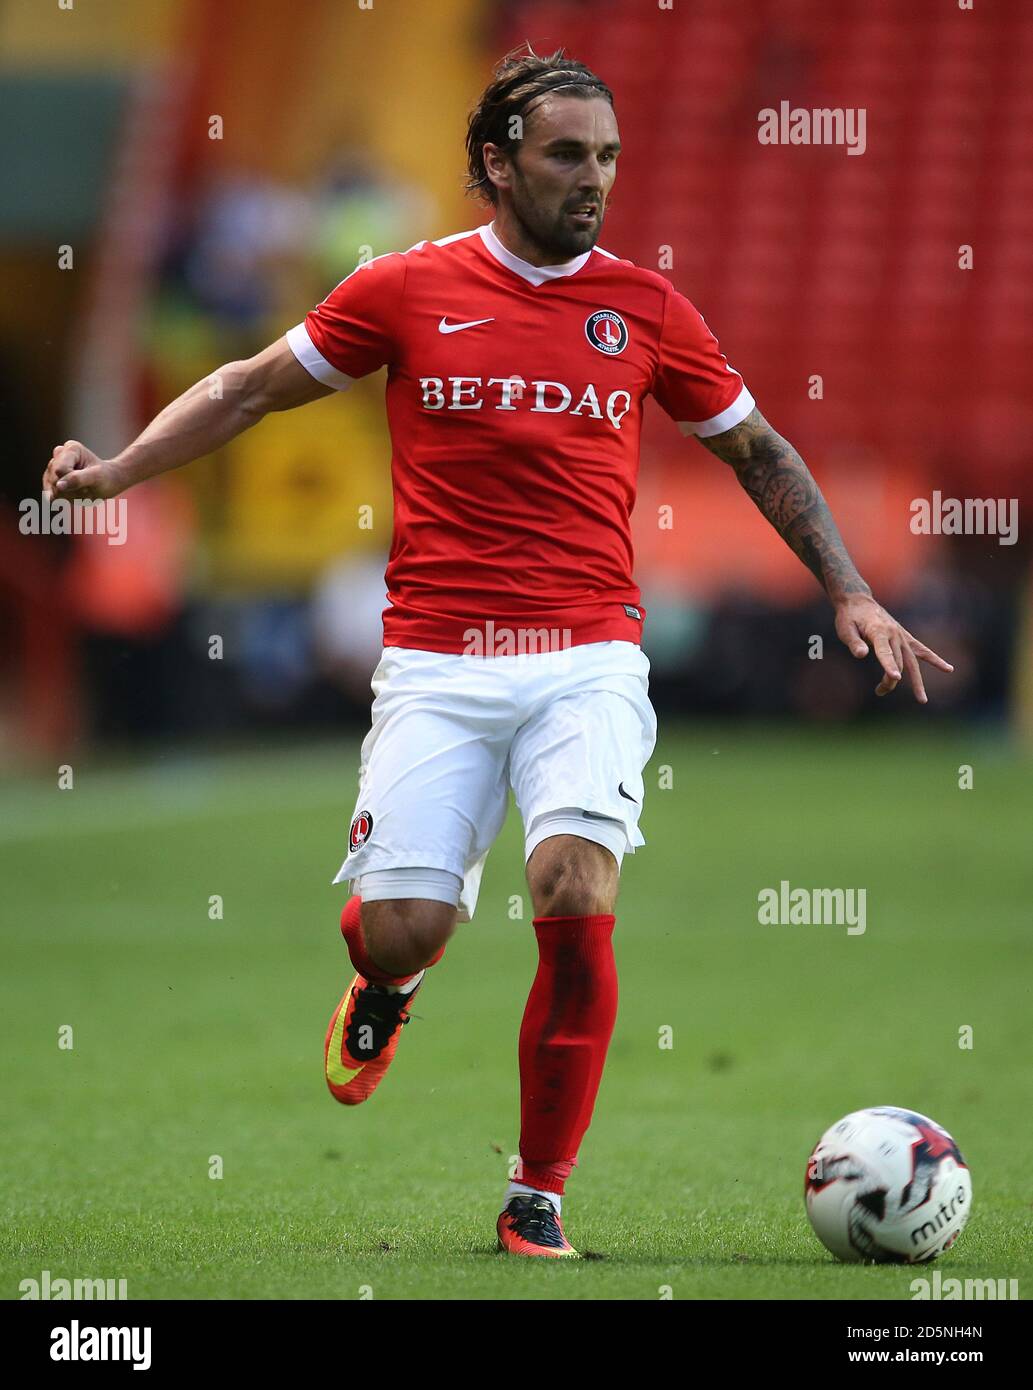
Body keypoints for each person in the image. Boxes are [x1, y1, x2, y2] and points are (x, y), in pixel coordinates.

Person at [42, 47, 952, 1260]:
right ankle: (387, 984)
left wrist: (848, 587)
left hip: (588, 653)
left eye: (608, 157)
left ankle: (538, 1192)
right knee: (404, 925)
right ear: (496, 162)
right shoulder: (403, 290)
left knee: (574, 887)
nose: (593, 180)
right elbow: (251, 388)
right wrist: (115, 472)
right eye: (567, 154)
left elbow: (763, 452)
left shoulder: (648, 307)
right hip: (436, 660)